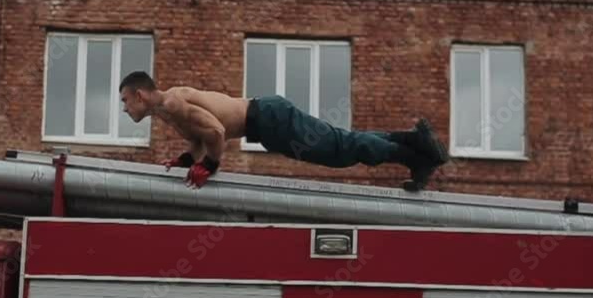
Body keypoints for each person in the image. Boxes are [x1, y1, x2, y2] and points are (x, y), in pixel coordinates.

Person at [118, 71, 449, 191]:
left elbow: (217, 132)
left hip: (267, 119)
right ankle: (414, 143)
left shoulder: (173, 104)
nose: (124, 108)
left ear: (140, 95)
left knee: (339, 150)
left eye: (125, 101)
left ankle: (416, 154)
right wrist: (188, 159)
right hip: (267, 119)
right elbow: (200, 137)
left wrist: (212, 166)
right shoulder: (168, 108)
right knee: (340, 145)